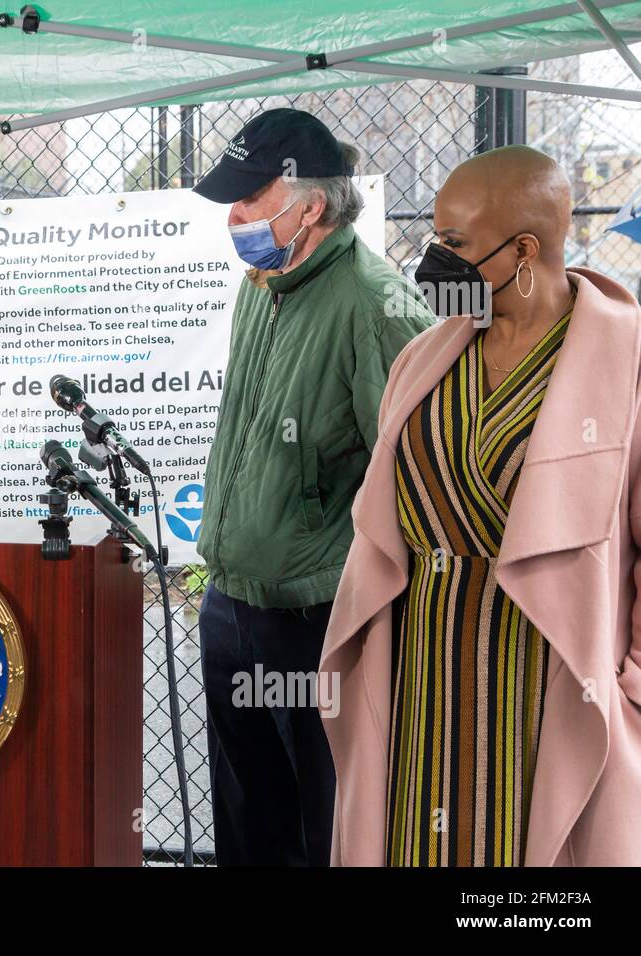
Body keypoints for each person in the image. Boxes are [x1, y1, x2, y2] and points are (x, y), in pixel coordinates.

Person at [321, 144, 641, 866]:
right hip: (420, 673)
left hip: (550, 680)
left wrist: (631, 690)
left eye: (455, 242)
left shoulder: (629, 364)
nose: (434, 258)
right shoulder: (424, 357)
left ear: (524, 249)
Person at [190, 108, 435, 866]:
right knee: (247, 821)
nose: (232, 216)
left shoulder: (373, 304)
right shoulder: (263, 280)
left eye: (247, 198)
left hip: (315, 623)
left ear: (311, 205)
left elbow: (420, 475)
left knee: (317, 830)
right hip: (231, 603)